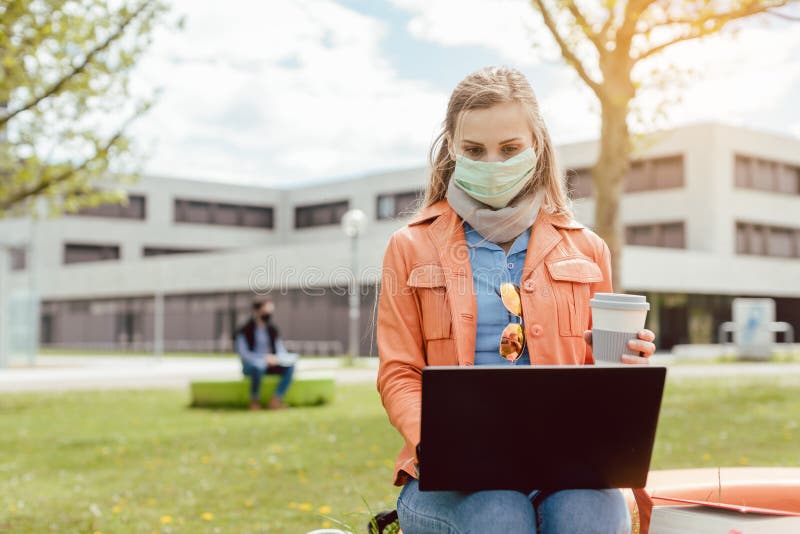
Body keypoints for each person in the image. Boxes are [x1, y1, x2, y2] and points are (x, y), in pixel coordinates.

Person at [376, 66, 658, 534]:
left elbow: (599, 376)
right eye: (474, 150)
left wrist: (628, 369)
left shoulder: (587, 249)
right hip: (448, 478)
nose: (492, 164)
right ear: (451, 149)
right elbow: (398, 373)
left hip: (568, 467)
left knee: (593, 517)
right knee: (500, 515)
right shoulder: (409, 247)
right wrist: (437, 443)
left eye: (509, 149)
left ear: (536, 146)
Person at [235, 297, 297, 411]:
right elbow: (244, 354)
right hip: (252, 366)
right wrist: (263, 358)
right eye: (265, 311)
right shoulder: (244, 330)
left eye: (270, 312)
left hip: (269, 363)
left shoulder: (272, 330)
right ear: (256, 311)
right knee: (259, 367)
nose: (268, 314)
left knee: (290, 367)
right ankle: (254, 401)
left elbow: (280, 350)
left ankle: (275, 400)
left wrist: (276, 359)